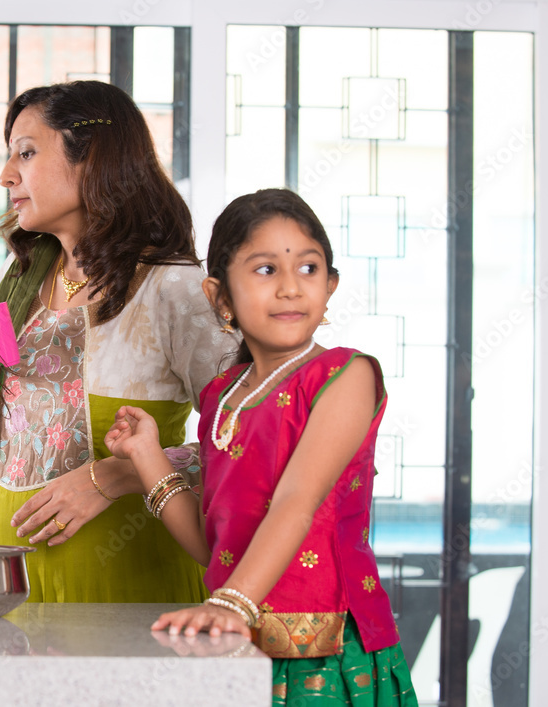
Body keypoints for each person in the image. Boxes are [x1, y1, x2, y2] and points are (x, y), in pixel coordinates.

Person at [104, 189, 419, 704]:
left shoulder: (345, 375)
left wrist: (231, 604)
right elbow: (218, 547)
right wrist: (147, 455)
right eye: (266, 270)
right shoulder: (220, 396)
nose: (292, 288)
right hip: (240, 640)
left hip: (327, 649)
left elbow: (297, 500)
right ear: (220, 296)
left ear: (331, 285)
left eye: (309, 268)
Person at [0, 80, 238, 603]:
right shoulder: (21, 280)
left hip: (125, 585)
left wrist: (117, 473)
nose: (7, 176)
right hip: (12, 592)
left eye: (26, 154)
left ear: (91, 156)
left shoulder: (174, 289)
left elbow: (247, 442)